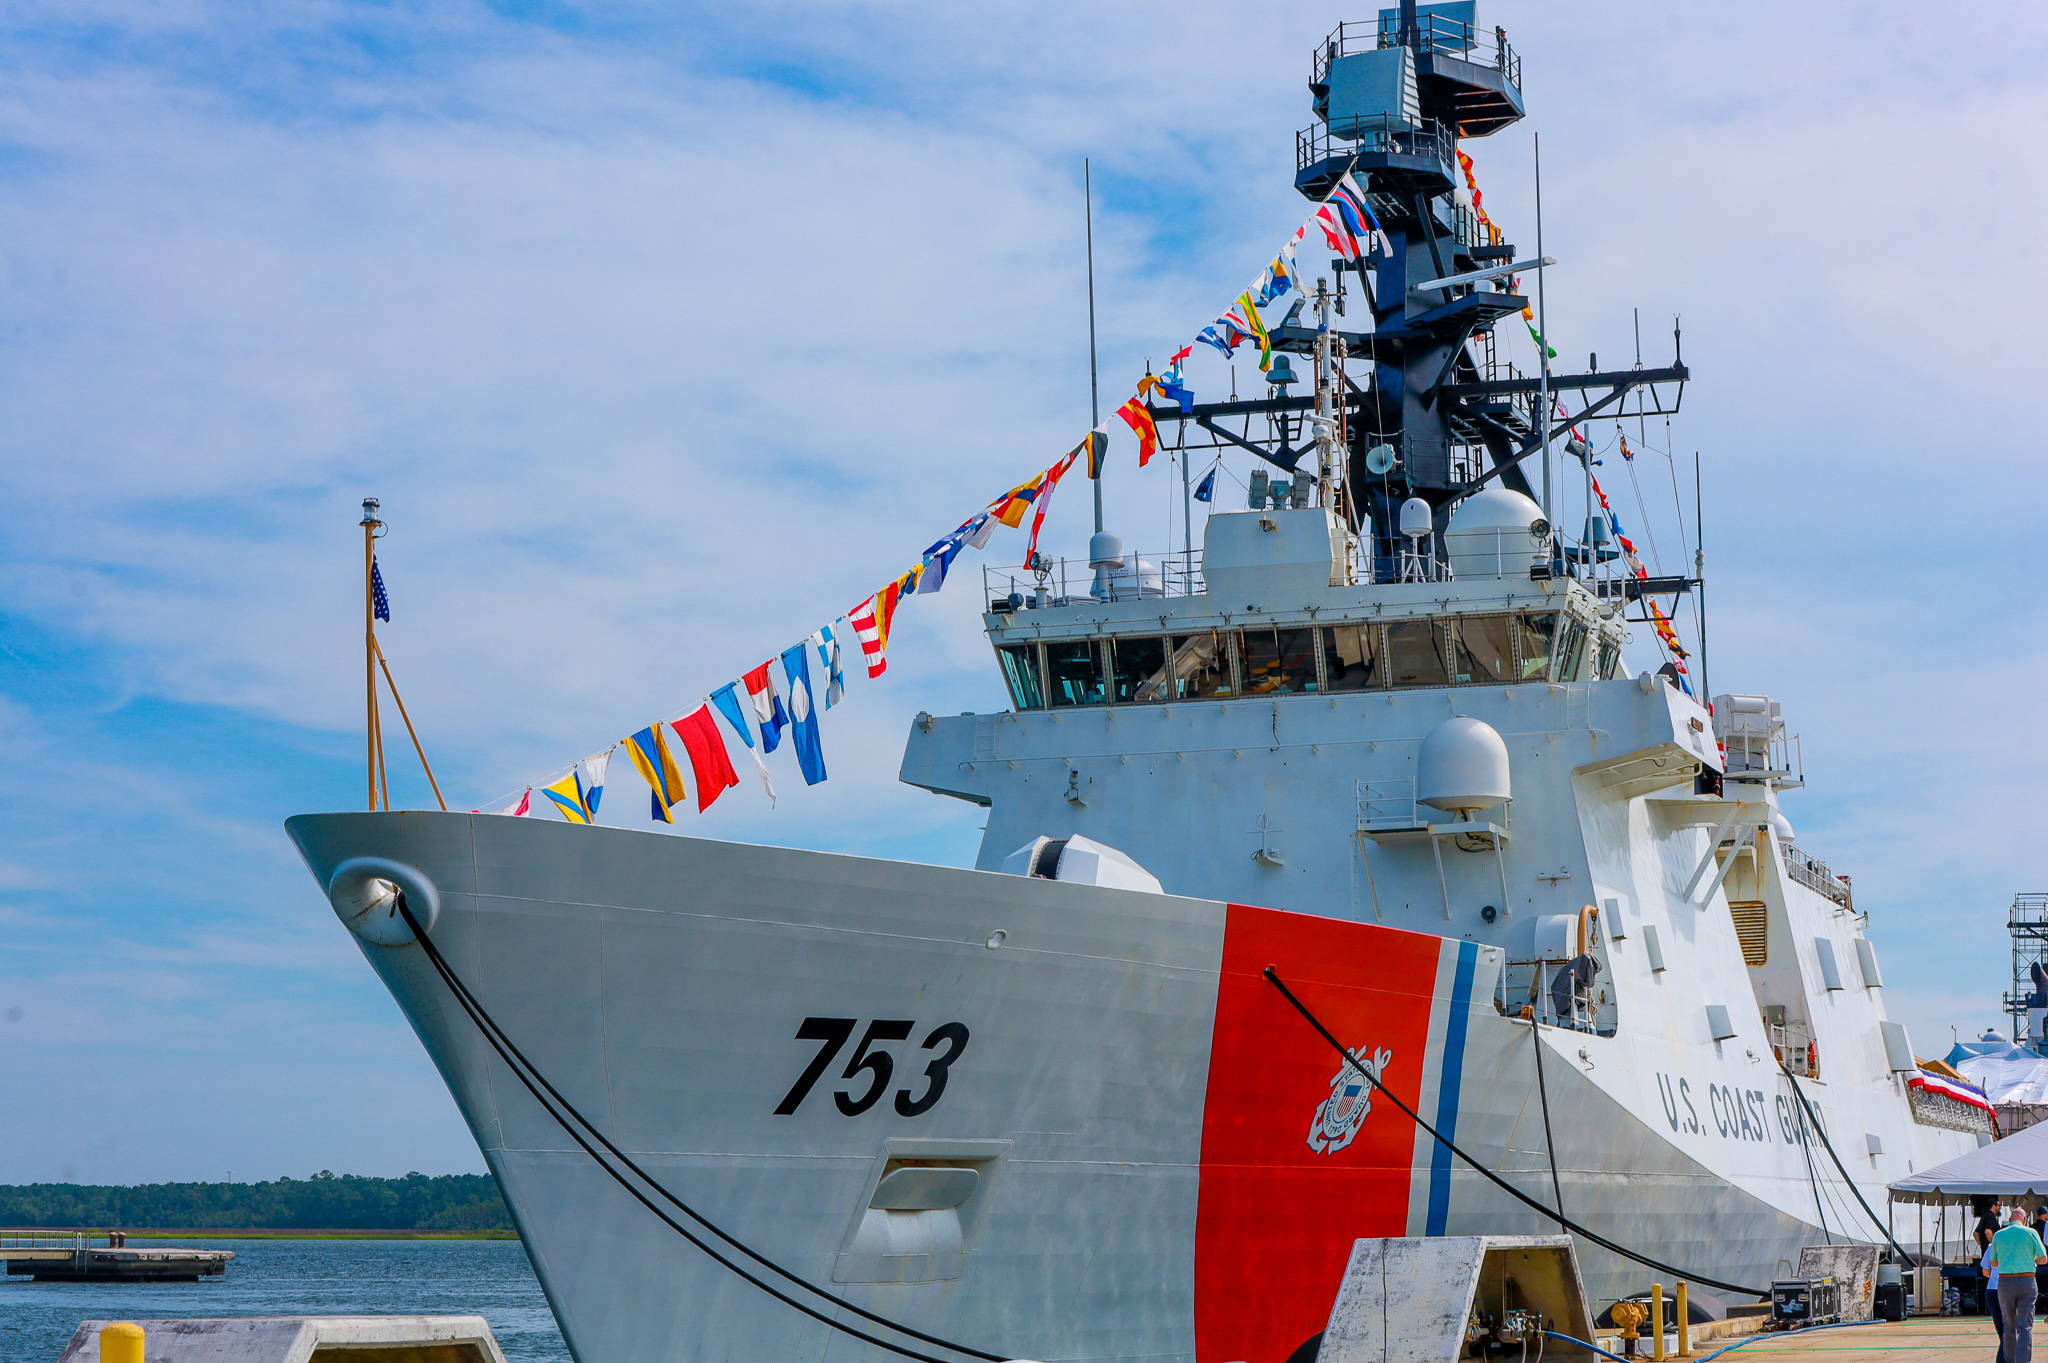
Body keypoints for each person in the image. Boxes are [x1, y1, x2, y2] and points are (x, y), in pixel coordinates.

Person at [1990, 1206, 2048, 1363]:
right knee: (2025, 1326)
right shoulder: (2031, 1233)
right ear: (2024, 1219)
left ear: (2010, 1220)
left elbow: (1994, 1262)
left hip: (2005, 1282)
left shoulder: (1998, 1235)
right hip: (2026, 1281)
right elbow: (2043, 1259)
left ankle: (2009, 1360)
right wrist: (2031, 1259)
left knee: (2008, 1326)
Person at [1986, 1237, 2009, 1363]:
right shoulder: (2019, 1245)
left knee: (2002, 1332)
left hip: (1993, 1289)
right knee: (2010, 1332)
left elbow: (1986, 1270)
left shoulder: (1992, 1246)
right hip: (2010, 1288)